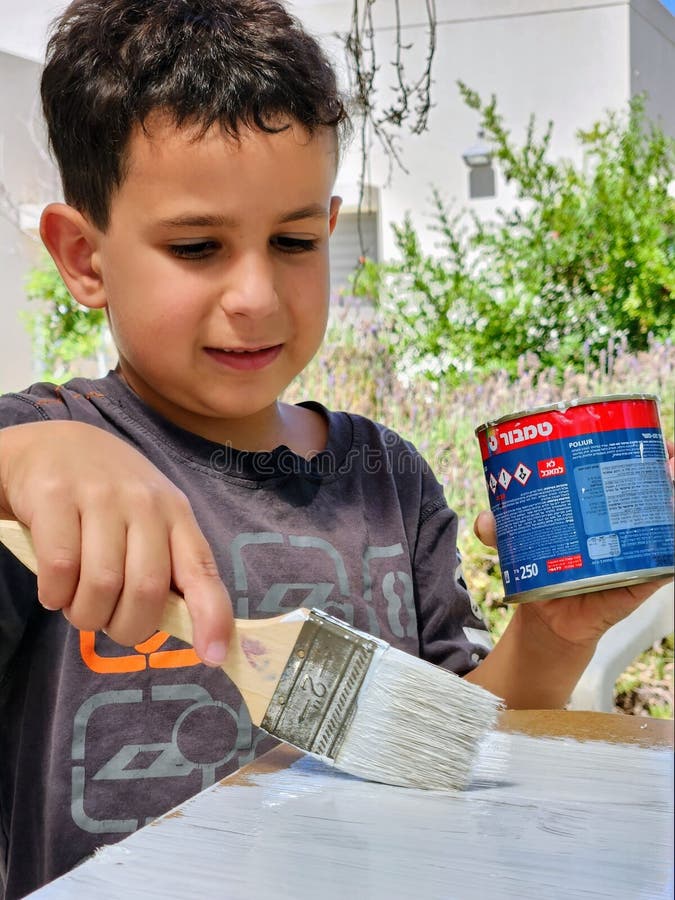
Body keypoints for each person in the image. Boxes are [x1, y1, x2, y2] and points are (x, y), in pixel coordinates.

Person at [0, 1, 671, 895]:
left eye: (294, 241)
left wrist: (549, 639)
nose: (256, 296)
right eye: (197, 246)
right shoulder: (49, 458)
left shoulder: (386, 477)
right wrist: (23, 461)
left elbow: (452, 740)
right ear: (83, 256)